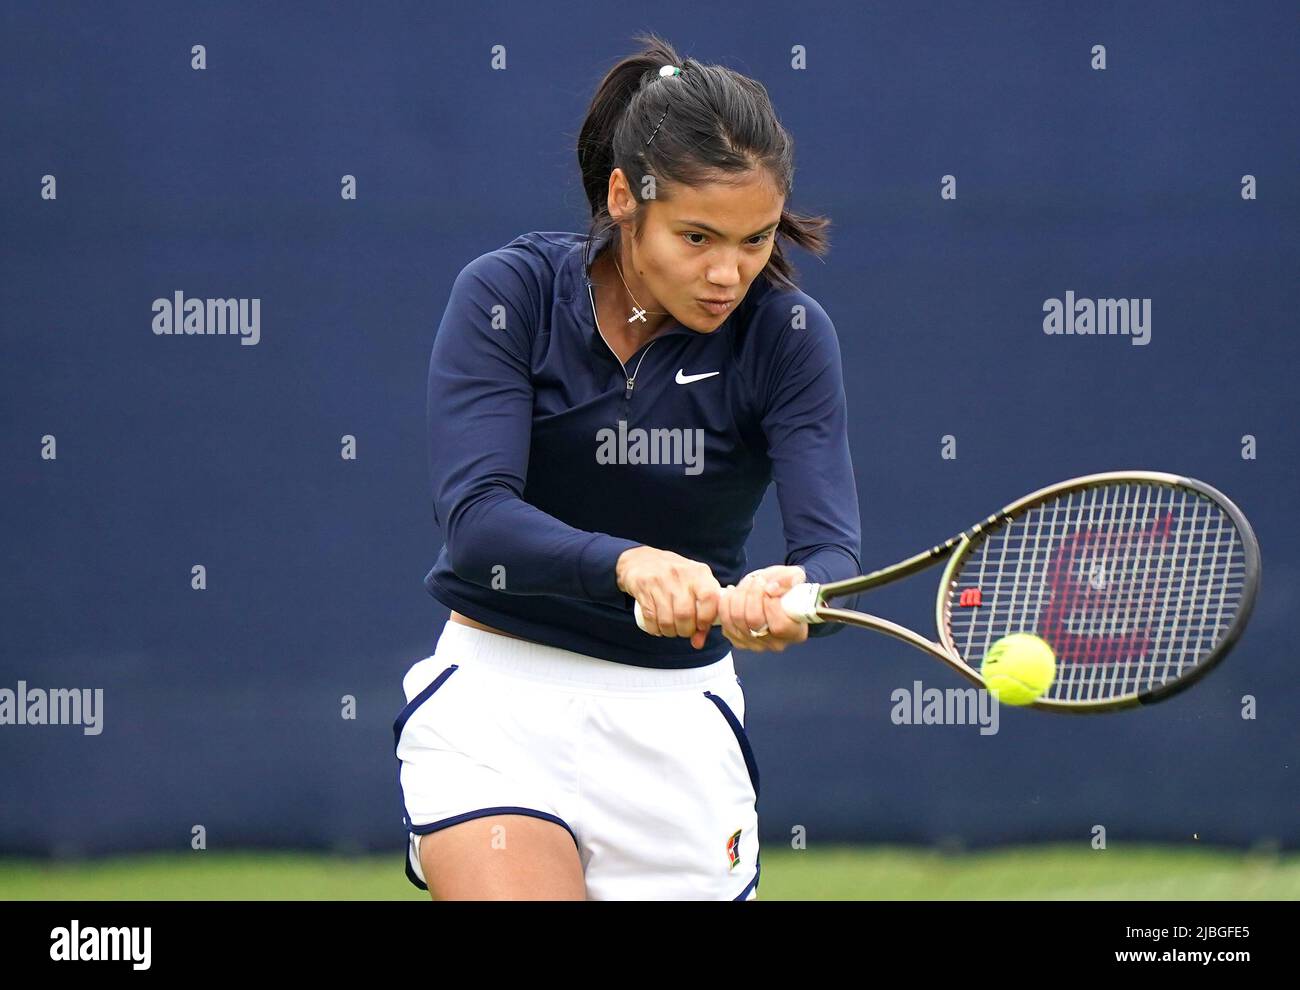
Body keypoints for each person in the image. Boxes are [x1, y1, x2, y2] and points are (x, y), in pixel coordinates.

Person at [394, 33, 861, 900]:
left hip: (676, 733)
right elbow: (475, 521)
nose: (729, 272)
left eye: (756, 239)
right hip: (498, 708)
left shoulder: (789, 338)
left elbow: (832, 553)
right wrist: (628, 564)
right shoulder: (510, 296)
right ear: (624, 197)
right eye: (697, 236)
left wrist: (793, 599)